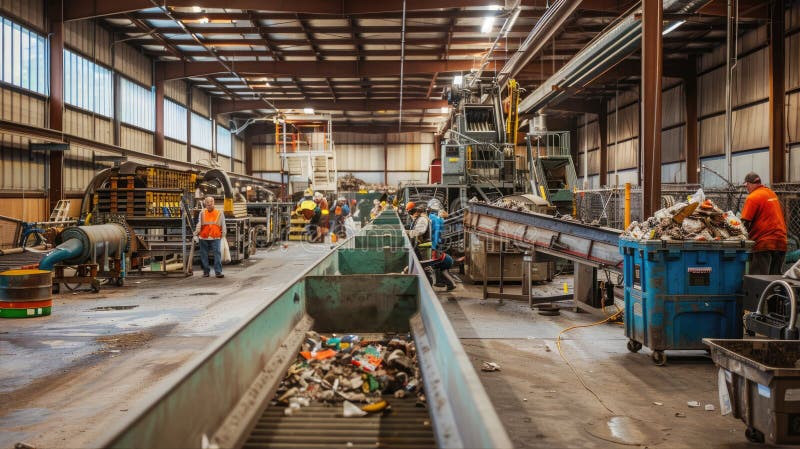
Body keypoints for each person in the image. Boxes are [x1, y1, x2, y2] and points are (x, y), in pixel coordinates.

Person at [741, 172, 787, 275]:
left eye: (746, 186)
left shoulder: (752, 197)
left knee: (759, 279)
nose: (746, 188)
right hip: (781, 240)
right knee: (774, 280)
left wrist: (739, 237)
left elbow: (745, 223)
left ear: (750, 183)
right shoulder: (771, 193)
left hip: (764, 243)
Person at [194, 196, 226, 278]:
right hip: (204, 236)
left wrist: (223, 235)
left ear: (213, 203)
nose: (209, 205)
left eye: (211, 203)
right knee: (203, 254)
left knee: (217, 253)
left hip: (215, 236)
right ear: (205, 204)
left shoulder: (219, 212)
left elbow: (223, 224)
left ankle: (218, 272)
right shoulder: (202, 212)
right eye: (207, 203)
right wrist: (196, 233)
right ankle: (206, 271)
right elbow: (199, 224)